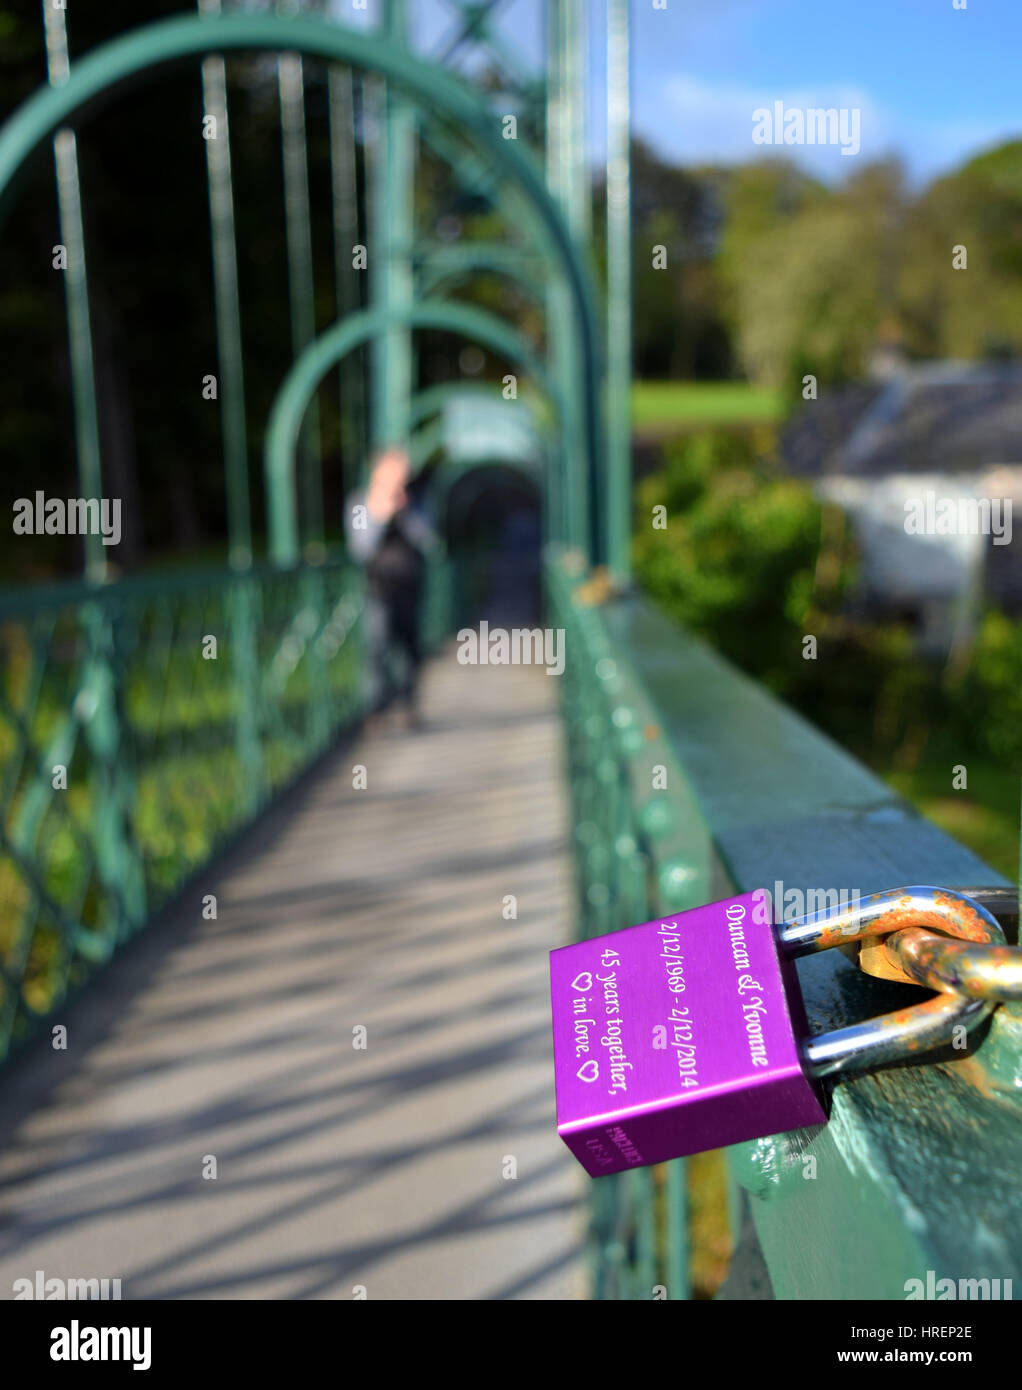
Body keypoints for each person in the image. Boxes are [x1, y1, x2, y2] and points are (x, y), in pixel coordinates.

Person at [345, 447, 436, 727]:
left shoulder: (415, 503)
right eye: (396, 473)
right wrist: (380, 517)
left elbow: (429, 541)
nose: (401, 479)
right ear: (378, 472)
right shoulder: (359, 505)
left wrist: (406, 514)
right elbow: (360, 548)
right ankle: (376, 709)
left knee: (410, 651)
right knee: (377, 649)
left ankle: (408, 705)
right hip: (379, 589)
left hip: (411, 588)